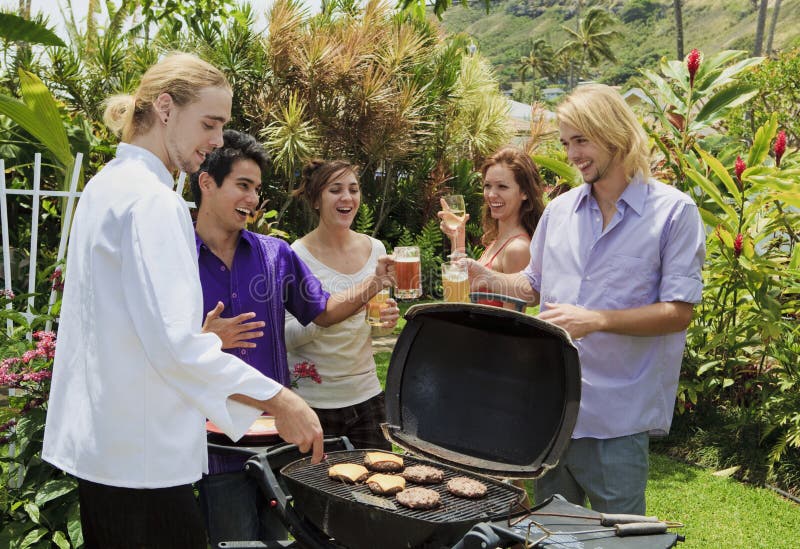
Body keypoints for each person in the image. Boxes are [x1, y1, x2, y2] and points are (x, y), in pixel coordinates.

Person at [41, 53, 324, 549]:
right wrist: (279, 399)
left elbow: (131, 328)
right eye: (210, 123)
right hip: (143, 460)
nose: (217, 141)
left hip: (105, 448)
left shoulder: (105, 186)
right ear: (166, 108)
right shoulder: (155, 201)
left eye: (222, 126)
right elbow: (175, 346)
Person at [464, 84, 706, 514]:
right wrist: (485, 277)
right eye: (565, 143)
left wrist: (596, 319)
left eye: (581, 141)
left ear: (614, 133)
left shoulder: (674, 212)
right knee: (554, 532)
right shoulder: (559, 212)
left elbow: (678, 312)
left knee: (620, 540)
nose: (573, 155)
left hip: (616, 418)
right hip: (550, 409)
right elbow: (533, 286)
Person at [191, 135, 396, 546]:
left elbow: (323, 311)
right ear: (207, 183)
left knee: (284, 540)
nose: (252, 198)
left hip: (276, 439)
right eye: (242, 185)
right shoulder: (176, 256)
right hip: (214, 445)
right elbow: (153, 339)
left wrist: (372, 284)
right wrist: (201, 339)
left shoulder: (275, 255)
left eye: (256, 189)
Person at [285, 159, 401, 451]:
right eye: (335, 190)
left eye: (353, 189)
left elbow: (370, 329)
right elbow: (287, 336)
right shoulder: (295, 256)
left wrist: (382, 323)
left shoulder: (376, 250)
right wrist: (337, 309)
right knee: (319, 495)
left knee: (379, 489)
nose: (347, 197)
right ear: (315, 200)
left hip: (366, 396)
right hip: (314, 402)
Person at [439, 147, 545, 308]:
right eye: (487, 185)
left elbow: (511, 322)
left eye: (502, 186)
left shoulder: (517, 249)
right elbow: (461, 295)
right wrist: (457, 238)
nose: (491, 194)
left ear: (524, 192)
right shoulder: (499, 240)